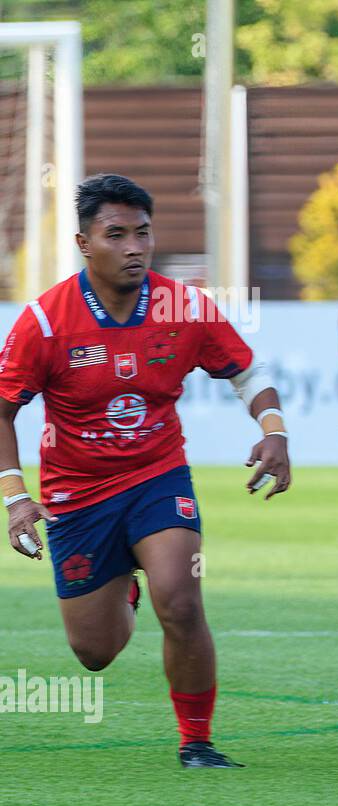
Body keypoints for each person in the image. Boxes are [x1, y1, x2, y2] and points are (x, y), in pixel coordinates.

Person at [0, 173, 291, 768]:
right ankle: (122, 591)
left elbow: (248, 374)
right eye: (117, 235)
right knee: (94, 652)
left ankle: (197, 743)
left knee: (181, 602)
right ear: (84, 243)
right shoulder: (46, 322)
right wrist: (15, 496)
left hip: (158, 477)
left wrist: (275, 432)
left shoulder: (182, 305)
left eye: (143, 234)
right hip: (76, 496)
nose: (134, 247)